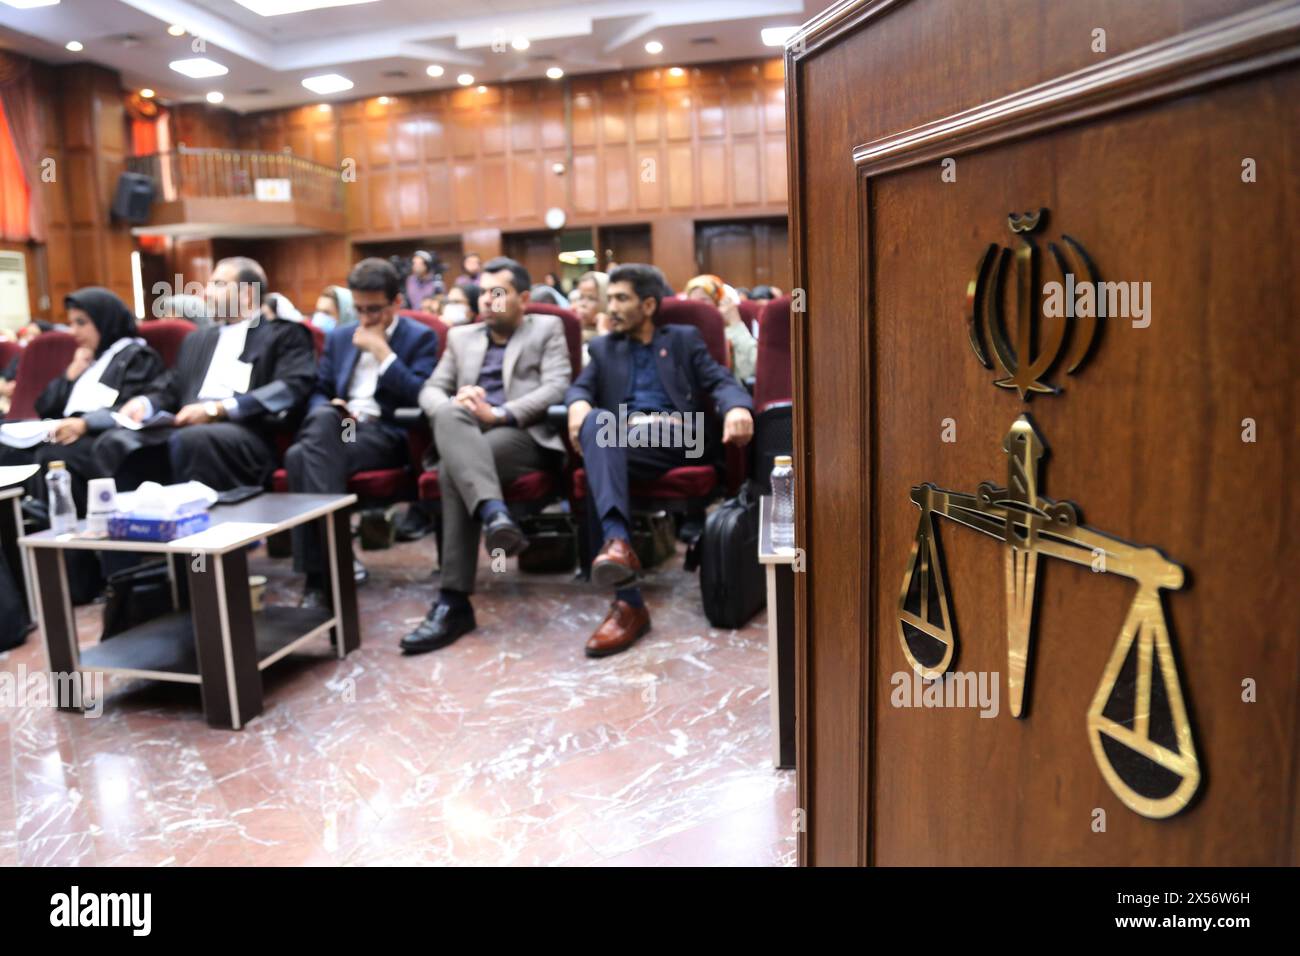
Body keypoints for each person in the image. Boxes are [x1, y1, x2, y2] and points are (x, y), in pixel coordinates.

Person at [566, 263, 754, 657]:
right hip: (623, 438)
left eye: (621, 298)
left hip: (680, 434)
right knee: (599, 422)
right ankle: (627, 588)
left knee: (604, 431)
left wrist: (737, 408)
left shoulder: (683, 338)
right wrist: (578, 406)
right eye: (609, 297)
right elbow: (579, 389)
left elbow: (720, 380)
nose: (611, 306)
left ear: (648, 304)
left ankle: (618, 558)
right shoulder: (603, 348)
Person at [400, 257, 571, 654]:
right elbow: (430, 389)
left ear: (523, 298)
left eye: (499, 293)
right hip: (468, 434)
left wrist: (500, 413)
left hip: (522, 436)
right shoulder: (462, 338)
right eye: (483, 294)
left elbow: (556, 386)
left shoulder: (547, 328)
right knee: (447, 415)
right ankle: (495, 515)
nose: (488, 302)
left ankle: (453, 601)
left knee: (451, 470)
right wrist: (459, 400)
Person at [287, 258, 440, 608]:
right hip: (339, 429)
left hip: (385, 433)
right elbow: (318, 390)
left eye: (375, 309)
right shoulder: (340, 337)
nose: (366, 319)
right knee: (315, 432)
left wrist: (382, 353)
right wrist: (332, 410)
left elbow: (421, 394)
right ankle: (331, 568)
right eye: (358, 309)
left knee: (301, 456)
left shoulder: (420, 338)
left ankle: (319, 578)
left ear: (396, 302)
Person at [96, 256, 317, 492]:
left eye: (219, 285)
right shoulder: (197, 339)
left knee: (194, 439)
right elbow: (173, 385)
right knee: (114, 443)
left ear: (247, 294)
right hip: (185, 427)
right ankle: (138, 524)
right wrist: (145, 403)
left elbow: (291, 386)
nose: (207, 293)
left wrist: (217, 410)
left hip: (246, 432)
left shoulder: (283, 334)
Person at [0, 288, 163, 513]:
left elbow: (128, 407)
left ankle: (56, 525)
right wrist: (70, 375)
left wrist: (85, 423)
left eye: (81, 323)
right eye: (71, 324)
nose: (73, 331)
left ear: (105, 321)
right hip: (64, 427)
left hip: (98, 433)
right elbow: (43, 406)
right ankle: (14, 528)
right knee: (7, 447)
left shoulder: (136, 356)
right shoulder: (87, 359)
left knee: (53, 455)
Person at [685, 274, 757, 383]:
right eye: (692, 302)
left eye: (704, 300)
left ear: (718, 302)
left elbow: (753, 367)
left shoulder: (732, 329)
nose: (697, 306)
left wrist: (735, 323)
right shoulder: (684, 331)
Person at [573, 271, 611, 346]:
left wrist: (603, 332)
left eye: (591, 298)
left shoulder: (618, 337)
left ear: (606, 301)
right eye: (581, 297)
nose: (583, 304)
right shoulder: (573, 333)